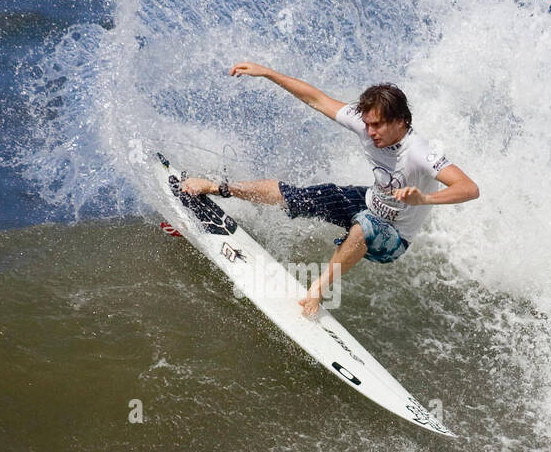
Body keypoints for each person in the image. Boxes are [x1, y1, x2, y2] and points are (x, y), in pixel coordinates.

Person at [181, 61, 480, 317]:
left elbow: (469, 188)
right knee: (293, 196)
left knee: (365, 228)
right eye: (367, 124)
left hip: (395, 236)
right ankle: (216, 187)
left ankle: (317, 291)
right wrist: (267, 73)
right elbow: (316, 99)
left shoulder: (419, 152)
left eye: (377, 126)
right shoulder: (366, 125)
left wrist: (424, 198)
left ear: (401, 121)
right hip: (368, 200)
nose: (370, 132)